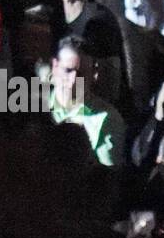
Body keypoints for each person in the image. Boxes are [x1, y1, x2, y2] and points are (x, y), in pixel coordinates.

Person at [48, 36, 125, 169]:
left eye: (80, 74)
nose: (72, 81)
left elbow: (106, 180)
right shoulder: (34, 107)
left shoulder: (108, 120)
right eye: (67, 70)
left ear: (93, 75)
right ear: (54, 66)